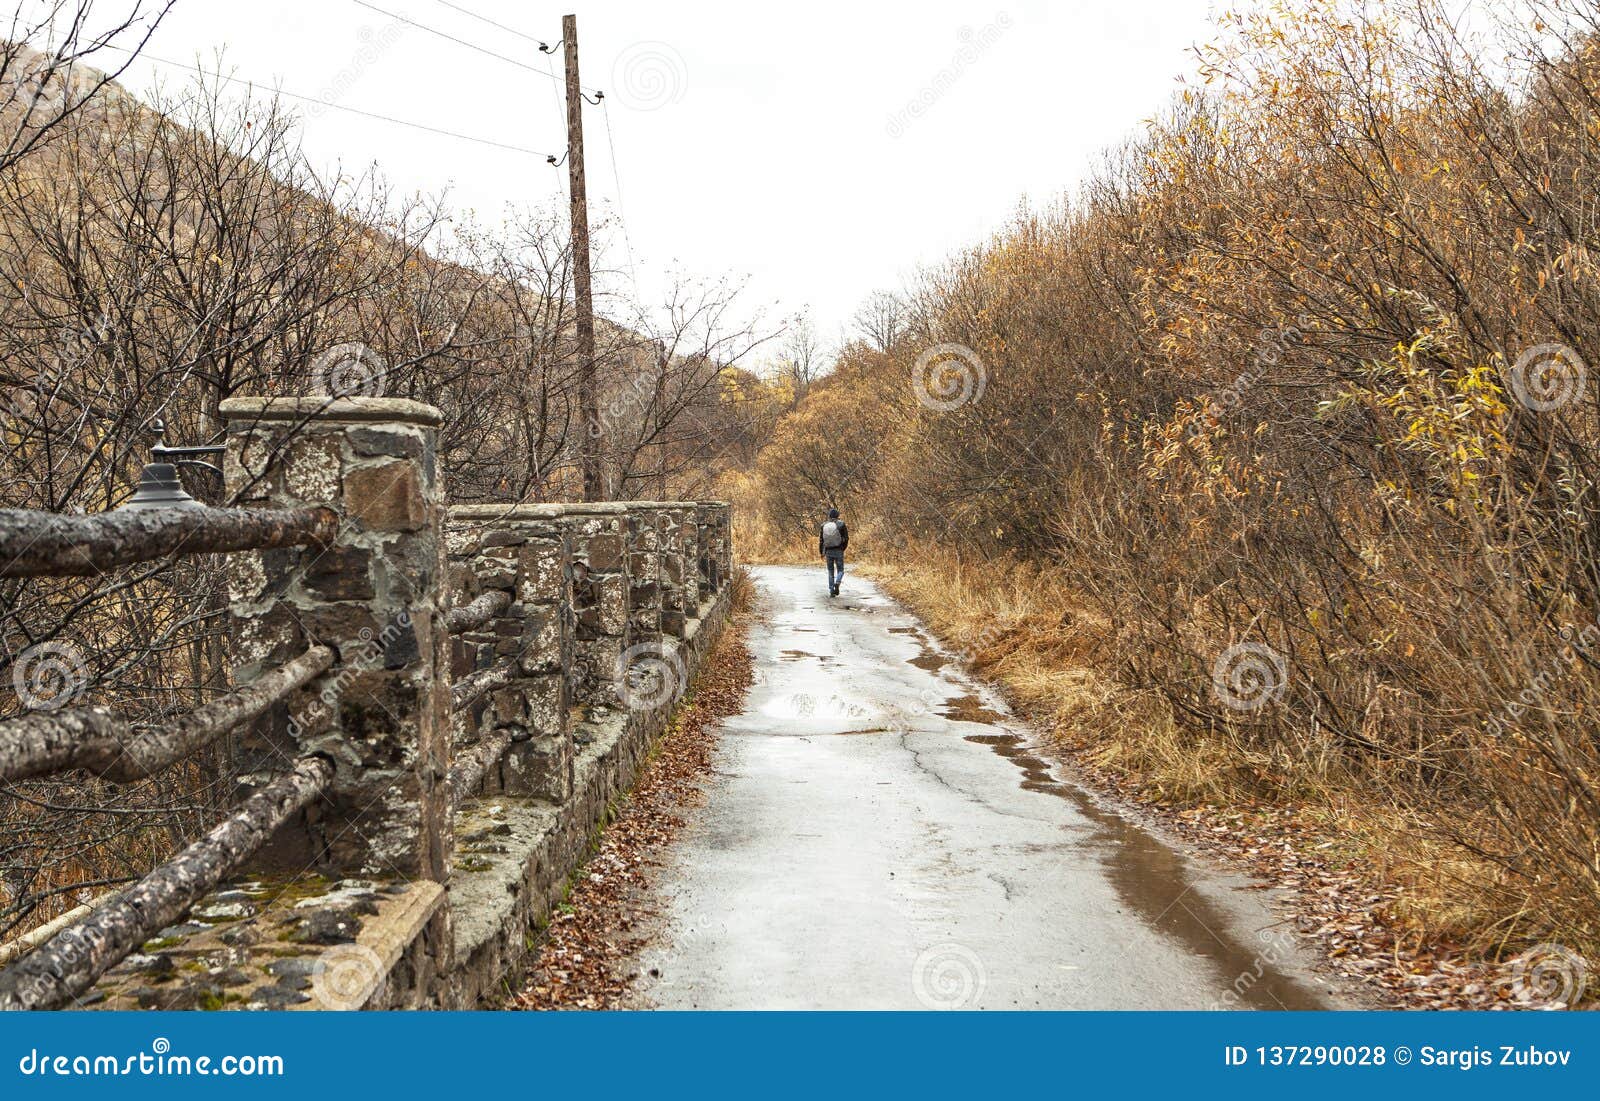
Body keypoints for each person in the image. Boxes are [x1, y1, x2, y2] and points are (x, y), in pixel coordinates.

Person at [819, 507, 849, 597]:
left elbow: (821, 540)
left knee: (830, 571)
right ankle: (838, 582)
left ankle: (832, 590)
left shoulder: (823, 525)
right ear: (837, 515)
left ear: (829, 516)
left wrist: (821, 552)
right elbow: (846, 538)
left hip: (828, 551)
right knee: (841, 570)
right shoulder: (841, 524)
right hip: (839, 550)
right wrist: (843, 548)